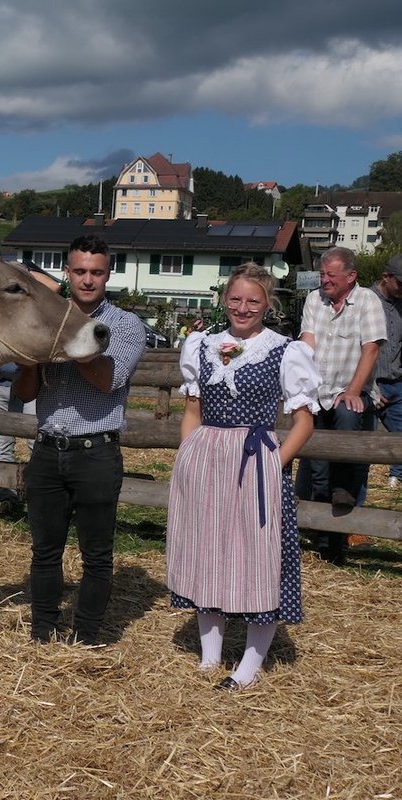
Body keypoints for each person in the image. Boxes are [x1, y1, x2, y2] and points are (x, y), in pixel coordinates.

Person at [166, 264, 318, 691]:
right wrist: (188, 457)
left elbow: (303, 423)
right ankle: (209, 658)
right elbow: (192, 412)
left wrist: (273, 463)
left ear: (268, 304)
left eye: (254, 300)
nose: (243, 308)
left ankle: (248, 667)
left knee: (257, 558)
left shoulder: (285, 350)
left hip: (255, 461)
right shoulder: (201, 345)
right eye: (235, 299)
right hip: (207, 459)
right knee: (207, 549)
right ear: (224, 300)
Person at [12, 234, 146, 645]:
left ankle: (87, 637)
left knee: (97, 556)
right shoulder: (50, 318)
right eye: (80, 271)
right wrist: (33, 357)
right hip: (49, 447)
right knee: (45, 551)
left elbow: (108, 379)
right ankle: (42, 631)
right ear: (68, 273)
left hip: (96, 450)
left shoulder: (125, 325)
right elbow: (24, 392)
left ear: (108, 275)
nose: (88, 280)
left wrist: (69, 335)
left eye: (97, 272)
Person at [295, 247, 386, 564]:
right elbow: (308, 343)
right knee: (318, 469)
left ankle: (341, 510)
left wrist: (353, 390)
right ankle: (325, 542)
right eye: (322, 274)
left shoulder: (367, 301)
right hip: (319, 394)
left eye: (330, 275)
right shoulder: (313, 301)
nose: (324, 280)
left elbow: (371, 349)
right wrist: (302, 387)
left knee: (348, 420)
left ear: (351, 276)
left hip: (350, 390)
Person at [371, 255, 402, 490]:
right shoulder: (365, 301)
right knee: (362, 441)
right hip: (368, 384)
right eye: (400, 283)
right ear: (386, 277)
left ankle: (396, 477)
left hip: (396, 380)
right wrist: (368, 385)